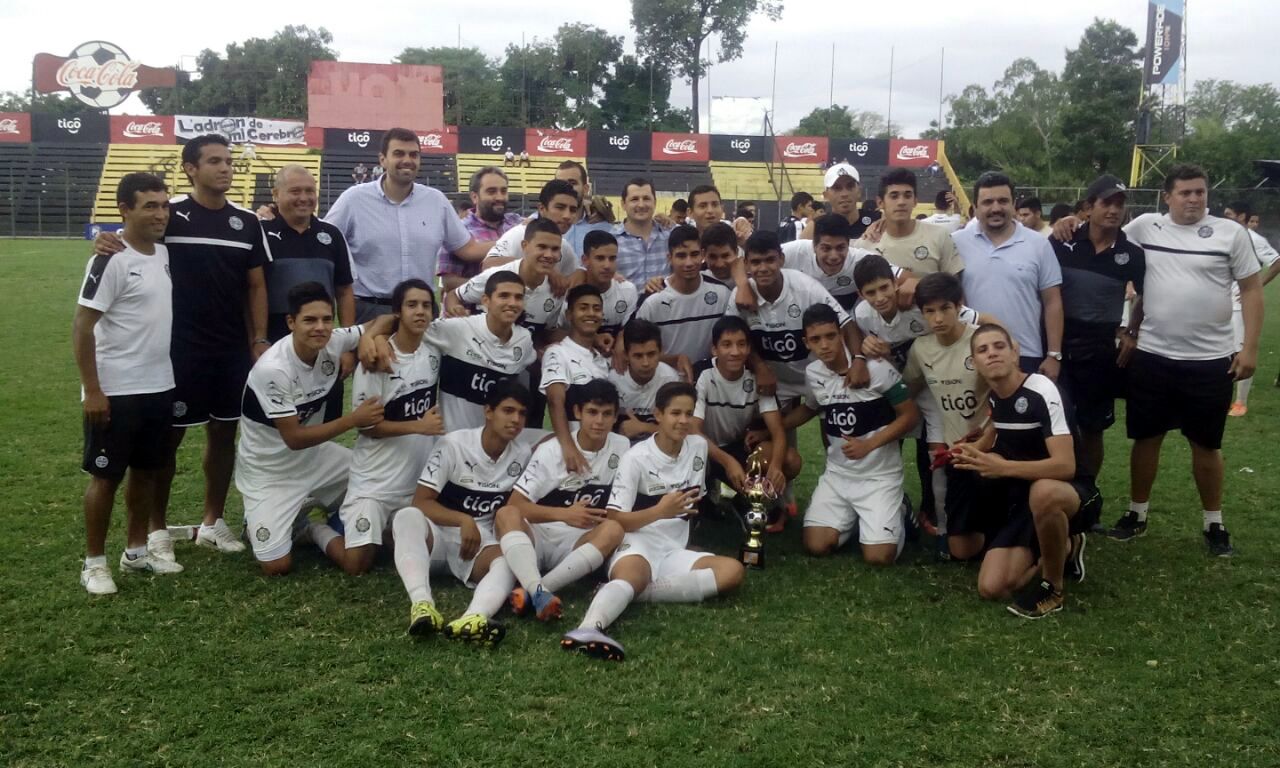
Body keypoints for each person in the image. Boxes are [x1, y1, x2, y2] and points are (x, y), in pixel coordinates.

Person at [94, 133, 271, 553]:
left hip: (229, 349)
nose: (225, 168)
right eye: (214, 161)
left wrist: (258, 338)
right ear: (191, 168)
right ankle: (156, 529)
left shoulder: (246, 222)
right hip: (176, 350)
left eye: (228, 161)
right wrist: (103, 238)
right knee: (165, 441)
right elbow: (130, 241)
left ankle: (212, 521)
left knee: (224, 436)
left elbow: (256, 285)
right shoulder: (170, 216)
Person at [1103, 165, 1262, 555]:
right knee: (1146, 438)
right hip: (1153, 356)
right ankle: (1137, 513)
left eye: (1200, 192)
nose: (1194, 199)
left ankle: (1214, 523)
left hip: (1210, 360)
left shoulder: (1231, 233)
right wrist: (1070, 219)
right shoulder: (1145, 227)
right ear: (1167, 196)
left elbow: (1252, 290)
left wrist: (1250, 348)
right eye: (1185, 192)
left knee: (1206, 444)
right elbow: (1104, 231)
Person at [563, 382, 743, 661]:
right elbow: (615, 520)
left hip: (672, 549)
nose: (683, 421)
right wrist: (660, 511)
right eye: (675, 413)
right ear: (658, 415)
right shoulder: (635, 458)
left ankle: (628, 592)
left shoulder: (697, 447)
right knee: (634, 573)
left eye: (688, 413)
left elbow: (692, 504)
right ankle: (589, 628)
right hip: (637, 541)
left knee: (732, 572)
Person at [235, 282, 392, 575]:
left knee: (378, 483)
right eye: (309, 320)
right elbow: (293, 439)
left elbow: (386, 318)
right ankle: (310, 528)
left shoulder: (332, 339)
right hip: (269, 472)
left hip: (317, 458)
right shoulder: (274, 369)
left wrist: (372, 337)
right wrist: (353, 420)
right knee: (276, 565)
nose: (319, 327)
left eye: (325, 319)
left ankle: (320, 513)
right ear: (291, 322)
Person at [75, 173, 182, 594]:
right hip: (115, 391)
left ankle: (136, 552)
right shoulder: (110, 257)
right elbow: (83, 327)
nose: (160, 214)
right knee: (106, 477)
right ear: (124, 210)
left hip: (159, 385)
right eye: (149, 206)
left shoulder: (162, 253)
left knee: (147, 473)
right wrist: (93, 390)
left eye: (163, 205)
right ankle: (94, 563)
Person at [955, 324, 1101, 618]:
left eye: (999, 346)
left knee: (1043, 490)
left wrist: (1003, 466)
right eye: (983, 350)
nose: (992, 354)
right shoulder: (995, 395)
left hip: (1072, 493)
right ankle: (1066, 546)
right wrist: (974, 451)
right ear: (974, 362)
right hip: (1025, 500)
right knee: (992, 588)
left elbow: (1065, 465)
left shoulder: (1042, 390)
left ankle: (1053, 588)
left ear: (1015, 351)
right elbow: (998, 425)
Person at [390, 380, 534, 646]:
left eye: (522, 413)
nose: (516, 419)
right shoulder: (453, 444)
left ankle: (473, 617)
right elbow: (421, 502)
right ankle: (422, 605)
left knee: (507, 560)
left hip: (476, 546)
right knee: (406, 516)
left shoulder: (522, 454)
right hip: (436, 539)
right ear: (488, 412)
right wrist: (462, 519)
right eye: (508, 410)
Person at [854, 254, 988, 534]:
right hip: (902, 385)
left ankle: (939, 517)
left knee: (936, 455)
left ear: (895, 284)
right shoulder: (863, 316)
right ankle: (885, 505)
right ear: (860, 295)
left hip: (937, 385)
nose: (879, 297)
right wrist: (867, 350)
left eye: (884, 288)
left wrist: (1009, 343)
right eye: (870, 292)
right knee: (886, 441)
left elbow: (979, 319)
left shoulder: (921, 306)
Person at [316, 279, 443, 576]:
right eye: (411, 305)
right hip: (375, 482)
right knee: (356, 565)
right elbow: (368, 428)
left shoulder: (435, 349)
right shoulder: (375, 361)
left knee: (421, 550)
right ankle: (317, 529)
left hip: (414, 484)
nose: (420, 311)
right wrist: (418, 427)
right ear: (398, 311)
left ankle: (354, 523)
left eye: (426, 305)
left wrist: (374, 333)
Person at [784, 305, 919, 564]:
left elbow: (910, 415)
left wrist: (869, 445)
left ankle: (898, 510)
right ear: (806, 343)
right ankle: (864, 520)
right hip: (839, 476)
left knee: (879, 557)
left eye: (830, 336)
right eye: (816, 339)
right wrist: (771, 428)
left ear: (842, 335)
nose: (824, 345)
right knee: (816, 545)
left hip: (880, 476)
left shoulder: (876, 368)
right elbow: (810, 408)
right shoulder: (814, 373)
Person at [325, 128, 491, 321]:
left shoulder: (436, 201)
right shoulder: (353, 199)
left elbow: (468, 249)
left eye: (414, 154)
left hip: (422, 313)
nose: (407, 160)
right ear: (382, 160)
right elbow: (326, 243)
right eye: (398, 153)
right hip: (370, 311)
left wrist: (518, 236)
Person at [499, 379, 630, 625]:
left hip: (577, 544)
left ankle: (536, 590)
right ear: (577, 412)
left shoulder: (622, 447)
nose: (599, 421)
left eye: (606, 414)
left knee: (614, 529)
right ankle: (537, 588)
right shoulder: (551, 450)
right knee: (505, 514)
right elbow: (516, 504)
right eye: (592, 412)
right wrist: (564, 514)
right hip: (537, 537)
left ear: (615, 417)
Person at [1049, 175, 1145, 478]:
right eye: (1107, 202)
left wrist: (1132, 330)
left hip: (1101, 350)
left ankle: (1087, 497)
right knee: (1054, 425)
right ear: (1088, 208)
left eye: (1120, 204)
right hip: (1058, 345)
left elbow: (1144, 294)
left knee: (1092, 428)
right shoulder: (1062, 240)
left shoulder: (1131, 253)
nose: (1114, 210)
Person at [902, 273, 992, 561]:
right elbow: (910, 389)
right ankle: (944, 531)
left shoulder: (980, 340)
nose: (938, 318)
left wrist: (989, 430)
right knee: (959, 547)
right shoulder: (921, 348)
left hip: (992, 441)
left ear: (959, 305)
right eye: (930, 311)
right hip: (955, 447)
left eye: (945, 309)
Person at [954, 172, 1064, 378]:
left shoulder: (1038, 244)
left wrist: (1054, 354)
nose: (996, 208)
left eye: (1003, 201)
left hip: (1025, 353)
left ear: (1014, 205)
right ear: (976, 208)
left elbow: (1052, 301)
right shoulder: (956, 242)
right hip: (972, 353)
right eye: (987, 202)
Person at [731, 231, 863, 402]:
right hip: (775, 378)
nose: (763, 268)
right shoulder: (741, 294)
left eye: (770, 260)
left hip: (818, 373)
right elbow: (732, 337)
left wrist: (858, 359)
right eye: (756, 262)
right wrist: (759, 366)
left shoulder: (806, 287)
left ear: (782, 259)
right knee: (768, 427)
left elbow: (846, 323)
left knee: (835, 426)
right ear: (747, 265)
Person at [693, 317, 797, 512]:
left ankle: (757, 500)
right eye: (727, 345)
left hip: (737, 448)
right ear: (714, 349)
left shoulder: (758, 377)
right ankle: (708, 499)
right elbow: (694, 431)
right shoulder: (703, 373)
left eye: (741, 344)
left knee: (790, 460)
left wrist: (775, 466)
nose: (735, 352)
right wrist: (727, 461)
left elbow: (777, 430)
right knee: (691, 454)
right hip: (704, 450)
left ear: (749, 349)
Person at [423, 270, 535, 431]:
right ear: (485, 301)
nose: (512, 303)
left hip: (493, 446)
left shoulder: (524, 340)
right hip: (451, 443)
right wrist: (375, 335)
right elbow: (407, 326)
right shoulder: (459, 328)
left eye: (518, 297)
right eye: (504, 296)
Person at [260, 165, 355, 342]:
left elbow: (344, 291)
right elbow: (253, 292)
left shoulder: (332, 234)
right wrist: (258, 340)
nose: (304, 198)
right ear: (276, 194)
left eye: (310, 191)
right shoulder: (260, 233)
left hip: (320, 342)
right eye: (295, 191)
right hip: (273, 342)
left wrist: (347, 343)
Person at [634, 225, 732, 368]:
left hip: (707, 381)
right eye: (681, 256)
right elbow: (637, 350)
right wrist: (675, 361)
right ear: (669, 258)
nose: (689, 263)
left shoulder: (722, 294)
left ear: (703, 255)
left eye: (694, 254)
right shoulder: (652, 301)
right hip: (665, 382)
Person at [541, 284, 611, 473]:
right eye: (583, 307)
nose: (591, 313)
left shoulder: (603, 360)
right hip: (565, 454)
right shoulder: (557, 353)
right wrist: (568, 447)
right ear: (569, 315)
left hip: (599, 453)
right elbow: (555, 402)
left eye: (596, 309)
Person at [1221, 200, 1280, 416]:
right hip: (1220, 305)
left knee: (1241, 350)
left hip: (1239, 305)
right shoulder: (1221, 237)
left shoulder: (1254, 239)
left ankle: (1240, 402)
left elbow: (1277, 262)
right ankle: (1220, 396)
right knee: (1220, 352)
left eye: (1229, 214)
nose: (1224, 218)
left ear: (1242, 217)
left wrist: (1258, 285)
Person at [859, 169, 963, 276]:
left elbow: (954, 284)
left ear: (915, 201)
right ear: (880, 202)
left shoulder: (939, 236)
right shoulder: (865, 245)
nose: (901, 202)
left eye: (907, 196)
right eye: (894, 196)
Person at [437, 166, 524, 294]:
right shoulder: (459, 230)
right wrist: (493, 287)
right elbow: (449, 282)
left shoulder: (517, 223)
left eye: (503, 191)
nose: (499, 197)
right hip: (472, 311)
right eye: (491, 191)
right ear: (474, 197)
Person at [480, 179, 582, 276]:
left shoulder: (564, 246)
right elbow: (488, 265)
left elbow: (578, 272)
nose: (567, 216)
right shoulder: (520, 233)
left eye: (573, 210)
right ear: (542, 209)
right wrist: (540, 268)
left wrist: (579, 275)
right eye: (560, 207)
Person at [610, 318, 682, 442]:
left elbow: (680, 429)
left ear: (660, 352)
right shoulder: (612, 380)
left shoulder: (671, 380)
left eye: (651, 354)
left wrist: (644, 427)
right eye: (638, 356)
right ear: (626, 355)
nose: (645, 363)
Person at [573, 230, 639, 351]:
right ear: (585, 260)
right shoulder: (572, 292)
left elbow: (627, 331)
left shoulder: (628, 291)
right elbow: (560, 331)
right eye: (600, 258)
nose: (607, 265)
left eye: (612, 258)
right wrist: (594, 338)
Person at [614, 178, 674, 285]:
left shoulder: (670, 235)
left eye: (646, 199)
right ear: (623, 204)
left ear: (655, 202)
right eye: (634, 199)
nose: (641, 205)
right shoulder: (612, 240)